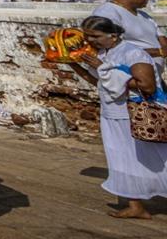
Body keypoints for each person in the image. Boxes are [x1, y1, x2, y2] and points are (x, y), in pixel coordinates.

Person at [67, 15, 167, 219]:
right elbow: (99, 81)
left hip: (136, 114)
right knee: (121, 160)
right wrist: (72, 64)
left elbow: (146, 85)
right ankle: (135, 205)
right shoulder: (103, 54)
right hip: (112, 115)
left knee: (159, 158)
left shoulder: (132, 53)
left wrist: (103, 68)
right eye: (87, 36)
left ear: (113, 35)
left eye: (95, 36)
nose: (90, 41)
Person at [90, 0, 167, 66]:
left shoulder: (143, 14)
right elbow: (113, 48)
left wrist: (163, 50)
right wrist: (158, 52)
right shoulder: (107, 12)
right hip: (130, 75)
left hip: (153, 74)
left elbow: (160, 36)